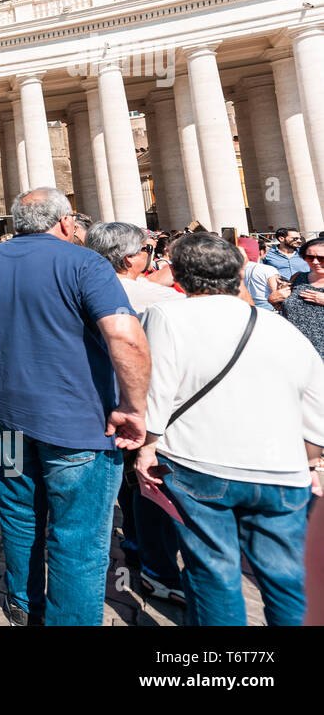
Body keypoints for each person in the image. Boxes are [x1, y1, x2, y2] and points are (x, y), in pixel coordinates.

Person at [0, 188, 150, 625]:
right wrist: (134, 407)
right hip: (79, 423)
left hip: (4, 415)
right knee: (79, 536)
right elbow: (126, 336)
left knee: (17, 511)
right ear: (67, 222)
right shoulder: (86, 262)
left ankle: (22, 604)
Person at [136, 233, 324, 625]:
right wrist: (312, 462)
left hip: (199, 464)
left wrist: (146, 449)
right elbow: (317, 407)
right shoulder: (279, 326)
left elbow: (157, 393)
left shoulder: (167, 316)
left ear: (180, 278)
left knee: (214, 574)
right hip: (281, 471)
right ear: (237, 274)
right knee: (287, 578)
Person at [85, 221, 183, 604]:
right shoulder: (161, 300)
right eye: (145, 249)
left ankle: (139, 546)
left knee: (128, 483)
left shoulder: (76, 287)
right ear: (130, 257)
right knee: (151, 486)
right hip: (143, 408)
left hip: (98, 403)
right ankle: (157, 566)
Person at [273, 236, 324, 362]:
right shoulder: (298, 278)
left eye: (321, 258)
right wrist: (275, 300)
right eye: (310, 257)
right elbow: (286, 307)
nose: (315, 262)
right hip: (295, 349)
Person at [242, 237, 281, 312]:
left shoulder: (234, 268)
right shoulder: (269, 270)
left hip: (244, 308)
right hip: (267, 309)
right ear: (261, 252)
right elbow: (276, 293)